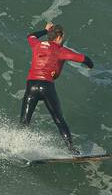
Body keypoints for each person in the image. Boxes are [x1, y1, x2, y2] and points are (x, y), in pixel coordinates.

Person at [21, 21, 93, 152]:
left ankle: (18, 147)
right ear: (59, 37)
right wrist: (90, 66)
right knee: (59, 119)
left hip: (31, 85)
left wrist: (45, 30)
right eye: (63, 37)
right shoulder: (61, 50)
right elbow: (84, 59)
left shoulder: (37, 45)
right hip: (46, 86)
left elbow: (30, 36)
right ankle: (72, 149)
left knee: (25, 121)